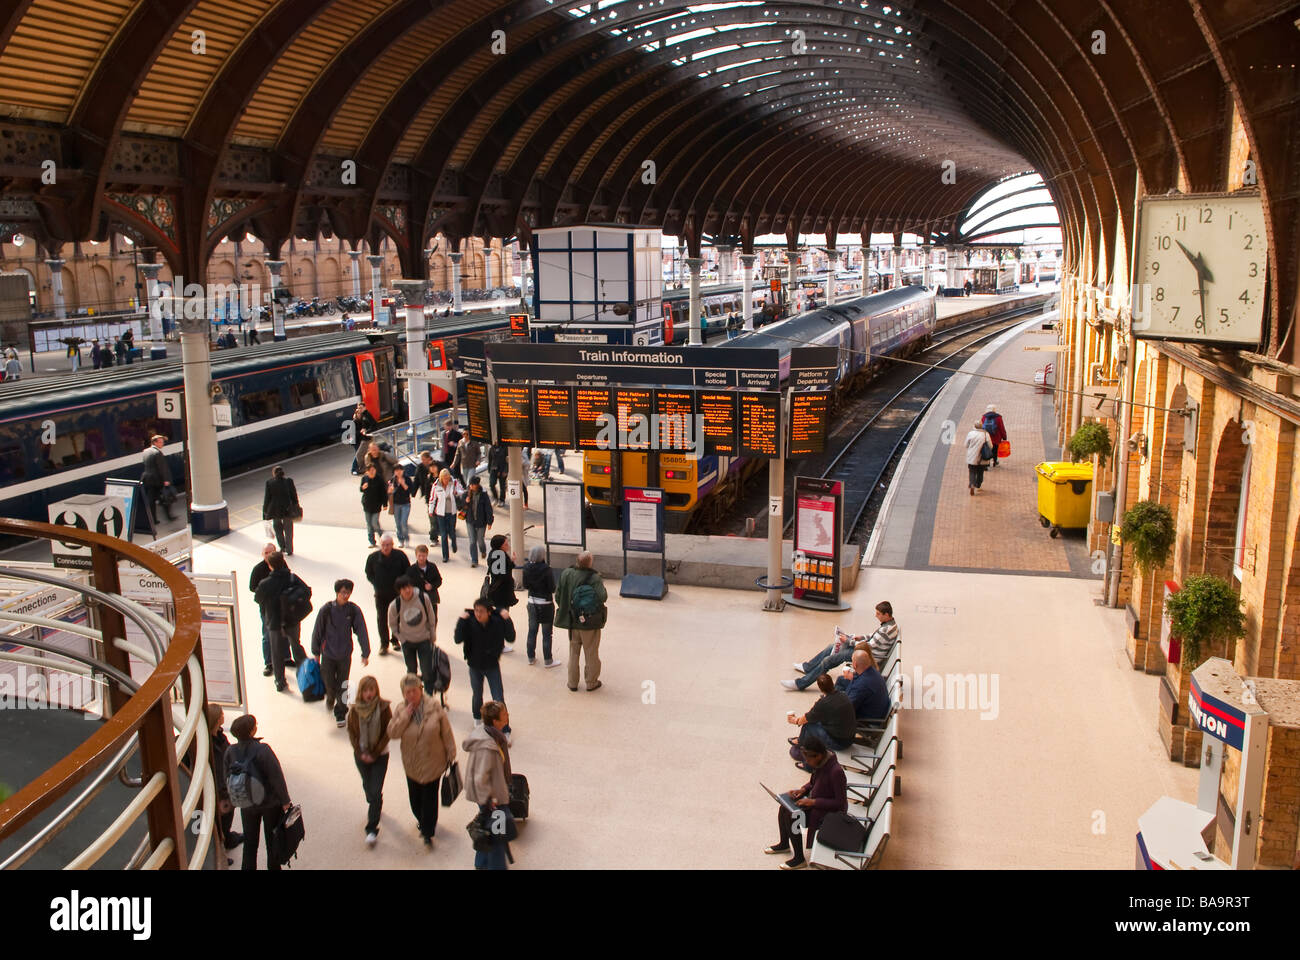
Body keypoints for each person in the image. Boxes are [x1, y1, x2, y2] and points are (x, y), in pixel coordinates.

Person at [388, 673, 457, 849]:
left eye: (414, 691)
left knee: (430, 798)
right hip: (412, 763)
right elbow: (393, 734)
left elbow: (446, 731)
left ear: (420, 689)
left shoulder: (434, 707)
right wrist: (405, 716)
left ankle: (428, 830)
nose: (411, 695)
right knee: (415, 799)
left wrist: (451, 751)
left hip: (433, 761)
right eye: (407, 692)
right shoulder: (400, 709)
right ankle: (422, 820)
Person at [764, 735, 847, 870]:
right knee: (784, 807)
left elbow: (840, 803)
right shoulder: (822, 763)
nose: (807, 762)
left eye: (808, 759)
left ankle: (799, 858)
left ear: (818, 755)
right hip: (816, 803)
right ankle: (784, 844)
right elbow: (814, 782)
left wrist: (813, 802)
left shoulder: (836, 772)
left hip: (828, 815)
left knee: (792, 817)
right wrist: (802, 790)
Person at [782, 601, 900, 691]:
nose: (876, 616)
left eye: (878, 614)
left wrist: (848, 640)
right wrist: (859, 637)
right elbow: (873, 637)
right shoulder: (889, 626)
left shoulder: (886, 630)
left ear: (886, 614)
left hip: (868, 656)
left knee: (829, 660)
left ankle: (800, 684)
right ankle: (808, 667)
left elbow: (868, 646)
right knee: (831, 647)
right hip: (867, 652)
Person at [227, 714, 292, 871]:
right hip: (269, 803)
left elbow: (226, 777)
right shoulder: (263, 750)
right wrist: (285, 801)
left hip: (246, 804)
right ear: (252, 731)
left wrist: (230, 799)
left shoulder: (230, 751)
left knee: (250, 843)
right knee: (272, 841)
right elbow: (276, 776)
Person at [311, 578, 371, 726]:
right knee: (329, 682)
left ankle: (341, 711)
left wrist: (365, 652)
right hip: (328, 654)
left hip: (344, 654)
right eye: (343, 592)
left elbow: (361, 631)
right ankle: (330, 697)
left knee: (343, 683)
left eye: (348, 592)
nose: (345, 595)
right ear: (337, 592)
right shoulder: (326, 610)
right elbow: (317, 631)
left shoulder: (353, 610)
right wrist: (316, 652)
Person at [462, 700, 511, 870]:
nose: (507, 716)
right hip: (492, 799)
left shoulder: (492, 735)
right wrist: (492, 800)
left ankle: (481, 864)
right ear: (496, 721)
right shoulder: (488, 747)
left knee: (488, 831)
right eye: (504, 714)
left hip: (491, 796)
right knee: (496, 836)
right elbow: (480, 778)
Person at [346, 675, 391, 847]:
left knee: (375, 788)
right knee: (369, 787)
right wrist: (360, 752)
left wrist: (375, 753)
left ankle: (372, 828)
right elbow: (352, 733)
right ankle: (376, 801)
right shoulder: (355, 710)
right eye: (366, 691)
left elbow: (388, 732)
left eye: (372, 690)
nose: (369, 694)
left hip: (380, 755)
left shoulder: (384, 708)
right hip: (361, 755)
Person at [553, 550, 607, 693]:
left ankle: (572, 682)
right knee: (591, 652)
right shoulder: (594, 577)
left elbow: (558, 596)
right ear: (590, 563)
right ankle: (591, 682)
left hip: (572, 620)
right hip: (589, 622)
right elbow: (603, 597)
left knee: (573, 652)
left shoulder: (566, 573)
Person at [253, 551, 305, 692]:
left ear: (270, 566)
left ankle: (280, 681)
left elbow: (257, 598)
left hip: (274, 621)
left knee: (276, 652)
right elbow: (306, 591)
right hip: (292, 619)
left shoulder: (265, 583)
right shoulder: (292, 578)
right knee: (296, 645)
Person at [454, 597, 509, 726]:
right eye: (476, 610)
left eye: (482, 611)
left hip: (492, 665)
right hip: (474, 665)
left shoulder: (496, 622)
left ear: (489, 612)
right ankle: (477, 718)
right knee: (477, 694)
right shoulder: (469, 622)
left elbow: (511, 636)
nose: (478, 614)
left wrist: (507, 619)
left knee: (498, 698)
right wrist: (461, 621)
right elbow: (457, 639)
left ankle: (505, 728)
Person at [389, 575, 438, 695]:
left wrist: (432, 634)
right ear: (399, 591)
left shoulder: (423, 598)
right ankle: (413, 696)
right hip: (407, 643)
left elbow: (431, 618)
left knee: (427, 671)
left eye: (409, 587)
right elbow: (393, 624)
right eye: (404, 588)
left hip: (424, 640)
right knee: (411, 672)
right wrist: (402, 639)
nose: (407, 590)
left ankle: (428, 697)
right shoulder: (395, 605)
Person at [205, 704, 243, 858]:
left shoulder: (220, 736)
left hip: (227, 787)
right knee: (214, 821)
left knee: (227, 817)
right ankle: (217, 852)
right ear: (216, 719)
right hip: (215, 790)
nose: (223, 715)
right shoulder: (206, 744)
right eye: (221, 714)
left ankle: (226, 838)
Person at [786, 674, 857, 752]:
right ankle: (804, 741)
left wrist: (795, 720)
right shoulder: (843, 695)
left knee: (808, 725)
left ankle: (800, 743)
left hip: (838, 743)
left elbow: (806, 718)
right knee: (816, 721)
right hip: (850, 738)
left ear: (820, 688)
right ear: (832, 684)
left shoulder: (823, 703)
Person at [365, 534, 409, 655]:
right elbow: (369, 573)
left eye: (388, 545)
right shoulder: (373, 558)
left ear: (392, 545)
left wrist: (402, 587)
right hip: (381, 595)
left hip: (397, 594)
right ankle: (384, 644)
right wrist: (376, 584)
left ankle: (395, 640)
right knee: (382, 619)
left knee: (397, 618)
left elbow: (407, 572)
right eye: (383, 545)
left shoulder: (400, 556)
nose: (386, 547)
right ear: (380, 545)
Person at [521, 545, 560, 668]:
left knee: (532, 631)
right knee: (547, 633)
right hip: (546, 604)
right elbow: (552, 588)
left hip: (532, 602)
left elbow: (525, 585)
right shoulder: (546, 569)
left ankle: (530, 657)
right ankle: (548, 660)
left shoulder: (526, 567)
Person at [837, 649, 891, 722]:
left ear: (855, 665)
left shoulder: (861, 685)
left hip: (868, 720)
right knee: (841, 680)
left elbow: (846, 709)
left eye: (852, 662)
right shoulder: (872, 670)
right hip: (875, 710)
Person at [249, 542, 278, 677]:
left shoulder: (280, 565)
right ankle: (269, 662)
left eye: (270, 552)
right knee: (267, 635)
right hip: (266, 609)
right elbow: (252, 587)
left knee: (283, 634)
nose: (268, 555)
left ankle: (286, 657)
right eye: (266, 553)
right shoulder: (258, 569)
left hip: (280, 608)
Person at [485, 534, 517, 652]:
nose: (508, 545)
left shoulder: (493, 554)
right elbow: (503, 574)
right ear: (500, 546)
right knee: (502, 617)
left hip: (496, 591)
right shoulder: (501, 556)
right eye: (505, 543)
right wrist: (511, 562)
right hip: (502, 592)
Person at [262, 464, 300, 556]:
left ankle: (282, 547)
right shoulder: (289, 481)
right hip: (288, 510)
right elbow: (294, 496)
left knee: (278, 529)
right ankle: (289, 550)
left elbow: (267, 499)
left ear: (274, 473)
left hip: (275, 511)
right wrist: (296, 506)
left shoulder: (269, 483)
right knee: (289, 530)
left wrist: (265, 512)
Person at [428, 468, 464, 562]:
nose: (446, 481)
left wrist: (457, 492)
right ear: (441, 478)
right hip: (440, 513)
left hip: (451, 512)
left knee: (452, 531)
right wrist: (430, 511)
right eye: (444, 479)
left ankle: (454, 543)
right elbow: (432, 499)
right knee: (443, 535)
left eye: (447, 478)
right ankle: (445, 556)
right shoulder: (436, 485)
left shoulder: (454, 482)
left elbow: (462, 490)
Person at [140, 434, 175, 523]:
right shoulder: (157, 453)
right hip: (157, 479)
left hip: (147, 478)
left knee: (151, 500)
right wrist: (166, 480)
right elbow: (162, 468)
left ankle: (153, 519)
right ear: (155, 442)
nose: (162, 444)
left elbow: (144, 463)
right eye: (161, 442)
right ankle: (169, 516)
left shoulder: (145, 451)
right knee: (166, 496)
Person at [463, 475, 493, 567]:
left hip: (481, 522)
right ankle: (474, 560)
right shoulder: (466, 494)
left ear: (477, 485)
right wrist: (466, 502)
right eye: (470, 484)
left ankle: (483, 550)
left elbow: (488, 508)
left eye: (473, 485)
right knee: (472, 541)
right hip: (470, 521)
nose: (471, 486)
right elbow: (460, 507)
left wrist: (489, 522)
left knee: (480, 540)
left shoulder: (483, 495)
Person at [412, 450, 440, 543]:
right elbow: (416, 480)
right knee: (432, 517)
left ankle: (436, 530)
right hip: (428, 496)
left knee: (438, 517)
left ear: (429, 458)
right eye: (422, 459)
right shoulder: (420, 467)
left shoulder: (437, 466)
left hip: (439, 497)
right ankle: (433, 537)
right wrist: (413, 492)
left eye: (424, 459)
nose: (423, 461)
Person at [408, 543, 442, 612]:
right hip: (417, 600)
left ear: (427, 555)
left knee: (433, 620)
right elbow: (408, 584)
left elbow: (439, 580)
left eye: (423, 556)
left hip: (431, 599)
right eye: (419, 556)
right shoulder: (411, 569)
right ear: (416, 556)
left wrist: (432, 586)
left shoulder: (432, 567)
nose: (421, 558)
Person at [359, 463, 387, 546]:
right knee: (369, 524)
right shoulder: (365, 478)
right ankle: (372, 541)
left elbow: (383, 492)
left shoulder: (379, 479)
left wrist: (385, 504)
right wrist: (362, 487)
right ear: (367, 472)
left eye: (373, 470)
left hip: (376, 504)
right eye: (370, 471)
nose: (372, 472)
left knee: (375, 523)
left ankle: (383, 537)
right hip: (367, 504)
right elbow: (361, 489)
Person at [965, 419, 993, 495]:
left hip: (972, 457)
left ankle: (972, 483)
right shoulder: (985, 434)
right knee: (980, 472)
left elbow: (966, 445)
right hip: (982, 457)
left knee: (972, 471)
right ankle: (978, 484)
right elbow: (990, 446)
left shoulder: (971, 433)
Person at [389, 462, 413, 547]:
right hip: (396, 504)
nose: (398, 472)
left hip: (405, 504)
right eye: (396, 470)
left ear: (403, 471)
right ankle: (400, 539)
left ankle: (406, 538)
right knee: (398, 523)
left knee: (403, 522)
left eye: (400, 470)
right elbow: (389, 492)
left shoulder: (407, 479)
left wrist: (403, 484)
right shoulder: (393, 480)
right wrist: (390, 490)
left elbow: (410, 491)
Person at [350, 403, 377, 475]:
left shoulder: (366, 415)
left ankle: (363, 469)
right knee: (360, 454)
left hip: (365, 439)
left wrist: (366, 431)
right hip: (357, 440)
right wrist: (362, 431)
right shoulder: (358, 419)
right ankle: (362, 468)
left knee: (360, 454)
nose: (360, 410)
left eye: (361, 408)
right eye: (358, 408)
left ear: (365, 407)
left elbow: (374, 425)